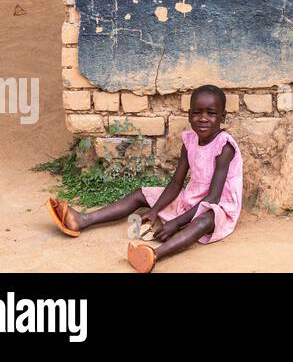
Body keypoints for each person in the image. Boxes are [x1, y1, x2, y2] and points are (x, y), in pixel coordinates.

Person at [47, 84, 243, 272]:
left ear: (222, 117)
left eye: (211, 113)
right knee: (141, 193)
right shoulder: (190, 142)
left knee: (203, 221)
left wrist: (176, 223)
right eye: (197, 112)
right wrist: (155, 209)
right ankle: (83, 219)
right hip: (190, 198)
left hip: (218, 207)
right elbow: (176, 183)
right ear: (189, 115)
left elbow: (212, 199)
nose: (203, 118)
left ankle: (153, 255)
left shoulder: (224, 147)